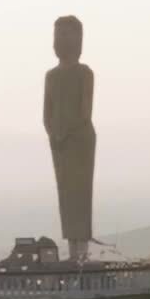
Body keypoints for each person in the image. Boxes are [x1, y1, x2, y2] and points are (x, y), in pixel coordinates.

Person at [43, 14, 96, 260]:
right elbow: (47, 113)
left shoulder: (84, 73)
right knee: (65, 194)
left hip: (80, 140)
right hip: (59, 143)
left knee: (80, 193)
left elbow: (85, 112)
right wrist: (54, 134)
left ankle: (81, 249)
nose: (61, 40)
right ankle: (72, 247)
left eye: (66, 34)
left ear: (79, 39)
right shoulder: (51, 76)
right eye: (58, 35)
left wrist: (66, 133)